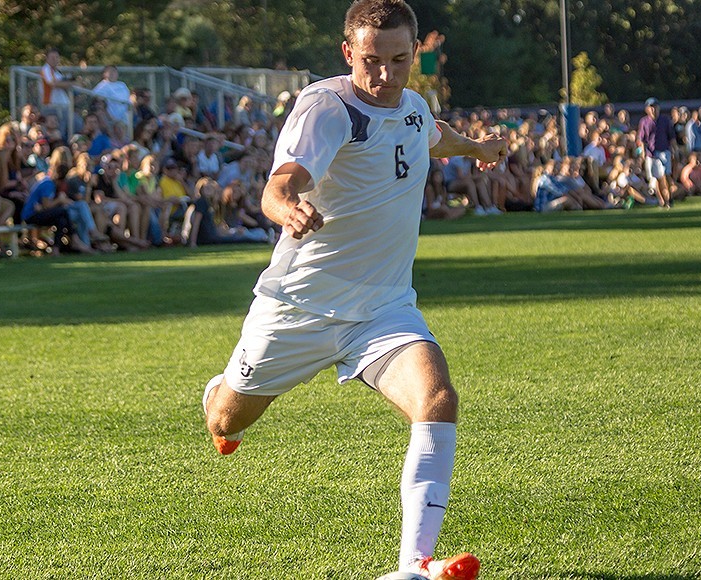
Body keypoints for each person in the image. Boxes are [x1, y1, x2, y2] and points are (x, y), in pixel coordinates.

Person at [200, 2, 505, 578]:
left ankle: (413, 565)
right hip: (299, 306)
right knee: (226, 423)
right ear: (348, 54)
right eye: (372, 61)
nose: (386, 76)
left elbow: (431, 135)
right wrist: (287, 209)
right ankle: (218, 391)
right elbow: (278, 184)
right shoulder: (326, 107)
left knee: (436, 398)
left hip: (382, 310)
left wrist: (478, 149)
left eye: (398, 59)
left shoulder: (412, 105)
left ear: (414, 53)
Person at [637, 98, 676, 207]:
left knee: (666, 175)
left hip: (664, 151)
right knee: (656, 178)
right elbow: (641, 139)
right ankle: (663, 200)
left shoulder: (665, 120)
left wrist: (674, 150)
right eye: (651, 107)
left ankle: (669, 197)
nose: (653, 109)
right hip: (651, 153)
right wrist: (643, 153)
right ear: (647, 109)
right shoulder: (644, 122)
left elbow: (671, 136)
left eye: (655, 106)